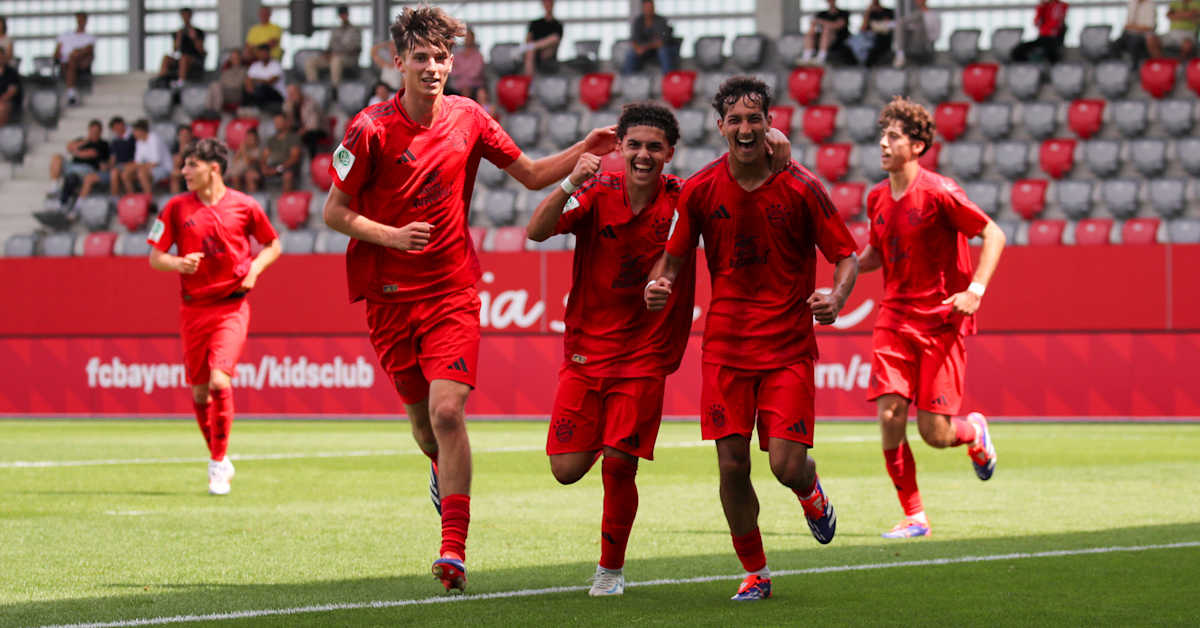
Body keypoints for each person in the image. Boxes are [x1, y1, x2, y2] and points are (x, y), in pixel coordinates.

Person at [321, 5, 617, 594]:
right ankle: (438, 465)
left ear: (453, 63)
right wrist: (391, 236)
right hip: (386, 297)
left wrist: (584, 149)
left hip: (452, 289)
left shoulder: (471, 117)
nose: (432, 68)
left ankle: (452, 550)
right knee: (426, 429)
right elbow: (333, 212)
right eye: (421, 58)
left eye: (441, 58)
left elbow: (532, 175)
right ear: (398, 62)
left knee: (448, 411)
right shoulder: (368, 129)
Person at [645, 76, 857, 601]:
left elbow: (847, 256)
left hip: (786, 349)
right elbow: (672, 255)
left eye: (753, 119)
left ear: (770, 124)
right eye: (734, 120)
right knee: (732, 465)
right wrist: (661, 281)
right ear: (720, 127)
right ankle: (756, 571)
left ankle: (810, 490)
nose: (744, 128)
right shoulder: (699, 189)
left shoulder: (803, 186)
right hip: (724, 351)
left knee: (785, 464)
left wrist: (837, 298)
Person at [525, 103, 692, 598]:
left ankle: (610, 570)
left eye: (654, 147)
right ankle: (614, 431)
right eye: (635, 145)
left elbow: (681, 245)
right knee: (565, 469)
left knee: (621, 462)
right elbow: (535, 231)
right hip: (586, 349)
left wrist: (664, 279)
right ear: (619, 148)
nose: (644, 155)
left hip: (645, 351)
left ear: (669, 153)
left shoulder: (684, 196)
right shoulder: (595, 191)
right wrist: (569, 181)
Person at [856, 96, 1004, 539]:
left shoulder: (941, 191)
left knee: (935, 434)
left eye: (894, 137)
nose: (883, 143)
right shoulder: (877, 197)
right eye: (882, 135)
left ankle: (973, 432)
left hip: (940, 321)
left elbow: (992, 232)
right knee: (888, 416)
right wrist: (840, 267)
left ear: (918, 146)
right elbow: (876, 254)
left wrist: (975, 290)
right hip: (893, 318)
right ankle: (915, 516)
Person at [147, 138, 281, 496]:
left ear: (214, 168)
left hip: (231, 306)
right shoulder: (175, 208)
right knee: (200, 391)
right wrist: (178, 262)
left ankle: (218, 463)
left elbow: (273, 244)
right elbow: (155, 256)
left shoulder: (245, 205)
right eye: (184, 165)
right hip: (193, 309)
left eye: (191, 165)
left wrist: (254, 268)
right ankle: (218, 456)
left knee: (221, 382)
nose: (184, 172)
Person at [48, 119, 110, 202]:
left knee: (72, 178)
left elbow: (91, 153)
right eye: (92, 131)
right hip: (72, 165)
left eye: (96, 131)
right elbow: (69, 147)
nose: (94, 133)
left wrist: (75, 152)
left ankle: (65, 202)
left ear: (100, 131)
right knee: (56, 157)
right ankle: (54, 186)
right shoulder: (82, 140)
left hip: (87, 169)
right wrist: (85, 142)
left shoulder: (103, 144)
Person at [304, 5, 362, 85]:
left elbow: (356, 49)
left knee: (336, 61)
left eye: (344, 14)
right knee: (310, 61)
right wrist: (327, 54)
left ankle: (335, 88)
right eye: (341, 14)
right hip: (333, 56)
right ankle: (314, 86)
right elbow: (329, 47)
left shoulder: (355, 30)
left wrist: (338, 54)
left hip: (348, 58)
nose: (342, 16)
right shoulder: (335, 30)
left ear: (347, 14)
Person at [157, 7, 207, 88]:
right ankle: (162, 80)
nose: (185, 18)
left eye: (187, 15)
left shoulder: (198, 32)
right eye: (183, 15)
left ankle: (181, 82)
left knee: (184, 58)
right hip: (181, 59)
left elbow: (201, 51)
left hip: (195, 59)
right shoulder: (178, 32)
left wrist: (194, 38)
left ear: (191, 16)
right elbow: (174, 50)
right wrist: (178, 38)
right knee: (166, 57)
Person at [623, 0, 676, 75]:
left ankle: (668, 78)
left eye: (651, 7)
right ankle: (629, 80)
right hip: (645, 51)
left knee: (663, 52)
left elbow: (661, 42)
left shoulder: (661, 20)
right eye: (647, 7)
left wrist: (645, 47)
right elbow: (634, 39)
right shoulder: (638, 21)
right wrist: (637, 48)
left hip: (658, 51)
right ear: (643, 8)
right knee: (631, 54)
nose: (649, 9)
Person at [122, 119, 173, 194]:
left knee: (142, 173)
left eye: (135, 131)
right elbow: (138, 162)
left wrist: (135, 166)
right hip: (149, 168)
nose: (133, 134)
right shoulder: (139, 142)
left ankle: (148, 198)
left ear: (141, 131)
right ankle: (132, 198)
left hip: (164, 168)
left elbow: (155, 163)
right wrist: (130, 167)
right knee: (125, 173)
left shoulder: (154, 138)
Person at [54, 11, 95, 105]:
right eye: (79, 19)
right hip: (64, 62)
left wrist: (77, 53)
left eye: (82, 20)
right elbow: (57, 52)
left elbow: (89, 50)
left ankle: (71, 93)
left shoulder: (89, 37)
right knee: (70, 61)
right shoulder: (65, 35)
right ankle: (71, 92)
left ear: (86, 21)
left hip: (80, 62)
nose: (80, 22)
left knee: (73, 59)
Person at [800, 0, 851, 65]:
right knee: (810, 33)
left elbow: (838, 25)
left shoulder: (843, 13)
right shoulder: (822, 14)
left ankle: (821, 56)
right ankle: (807, 56)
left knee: (826, 30)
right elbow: (813, 27)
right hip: (820, 39)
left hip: (838, 39)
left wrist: (821, 22)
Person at [846, 0, 896, 66]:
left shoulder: (887, 12)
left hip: (883, 38)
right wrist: (868, 11)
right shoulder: (870, 13)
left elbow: (891, 26)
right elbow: (862, 29)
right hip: (869, 38)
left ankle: (867, 63)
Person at [263, 112, 302, 193]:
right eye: (275, 122)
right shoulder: (271, 140)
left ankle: (286, 202)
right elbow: (264, 157)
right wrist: (264, 168)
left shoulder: (293, 137)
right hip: (272, 166)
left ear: (286, 122)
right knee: (251, 175)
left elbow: (294, 157)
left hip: (287, 167)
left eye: (279, 122)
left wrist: (279, 168)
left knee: (287, 176)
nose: (277, 124)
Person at [894, 0, 941, 67]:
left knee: (918, 18)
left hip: (925, 42)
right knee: (901, 23)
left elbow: (936, 35)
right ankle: (900, 54)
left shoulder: (934, 15)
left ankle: (900, 53)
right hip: (912, 43)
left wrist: (926, 38)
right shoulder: (914, 15)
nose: (917, 1)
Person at [521, 0, 563, 75]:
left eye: (550, 2)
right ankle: (528, 79)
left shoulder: (558, 24)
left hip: (548, 52)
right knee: (530, 50)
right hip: (534, 53)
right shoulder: (535, 23)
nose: (548, 5)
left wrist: (534, 46)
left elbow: (555, 39)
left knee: (553, 38)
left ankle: (533, 46)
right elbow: (528, 39)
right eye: (546, 2)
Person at [283, 83, 324, 156]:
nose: (291, 96)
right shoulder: (290, 103)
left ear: (299, 92)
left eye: (293, 93)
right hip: (299, 128)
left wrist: (299, 133)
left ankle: (313, 160)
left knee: (310, 136)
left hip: (316, 129)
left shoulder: (310, 103)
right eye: (289, 94)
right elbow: (288, 121)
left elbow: (313, 124)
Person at [243, 44, 285, 110]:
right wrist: (251, 89)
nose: (262, 56)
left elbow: (270, 81)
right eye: (260, 53)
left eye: (264, 53)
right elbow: (248, 81)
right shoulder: (254, 65)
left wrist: (254, 80)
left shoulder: (276, 65)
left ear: (269, 53)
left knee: (263, 87)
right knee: (246, 90)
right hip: (258, 93)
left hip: (276, 95)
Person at [105, 116, 137, 197]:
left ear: (122, 124)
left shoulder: (133, 137)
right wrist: (108, 166)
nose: (117, 130)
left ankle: (132, 197)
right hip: (120, 166)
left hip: (132, 164)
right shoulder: (115, 140)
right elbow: (113, 157)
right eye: (114, 128)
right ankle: (115, 199)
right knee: (114, 173)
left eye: (117, 126)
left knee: (124, 174)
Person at [226, 127, 264, 193]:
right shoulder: (244, 147)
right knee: (233, 174)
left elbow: (248, 162)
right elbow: (235, 160)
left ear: (256, 139)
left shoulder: (258, 150)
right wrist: (240, 151)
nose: (249, 140)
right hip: (239, 170)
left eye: (251, 139)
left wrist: (243, 151)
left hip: (252, 170)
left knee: (241, 176)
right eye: (247, 138)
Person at [449, 27, 485, 96]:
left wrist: (461, 72)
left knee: (479, 93)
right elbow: (452, 71)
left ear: (473, 39)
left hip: (474, 85)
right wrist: (466, 71)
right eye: (466, 37)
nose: (467, 39)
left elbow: (475, 73)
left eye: (469, 37)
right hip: (458, 85)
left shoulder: (478, 56)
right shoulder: (457, 56)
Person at [169, 125, 196, 194]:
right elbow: (176, 164)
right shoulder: (176, 147)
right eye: (182, 135)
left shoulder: (196, 145)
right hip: (182, 171)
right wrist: (182, 150)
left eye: (186, 134)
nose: (184, 137)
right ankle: (176, 200)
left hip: (194, 170)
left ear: (191, 135)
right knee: (174, 176)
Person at [0, 47, 20, 126]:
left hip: (8, 102)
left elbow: (12, 91)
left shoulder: (11, 73)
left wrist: (1, 100)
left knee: (1, 108)